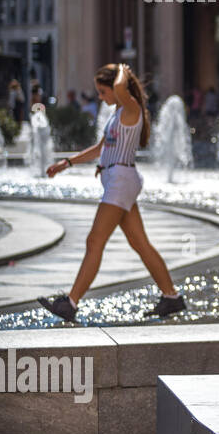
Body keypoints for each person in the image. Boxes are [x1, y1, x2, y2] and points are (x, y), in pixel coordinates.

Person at [36, 63, 185, 322]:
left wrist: (122, 72)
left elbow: (119, 86)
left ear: (118, 88)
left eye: (103, 92)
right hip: (119, 180)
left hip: (121, 181)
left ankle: (70, 303)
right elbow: (100, 149)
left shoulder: (131, 108)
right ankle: (171, 297)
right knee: (140, 243)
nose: (101, 97)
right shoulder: (118, 113)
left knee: (95, 241)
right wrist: (66, 163)